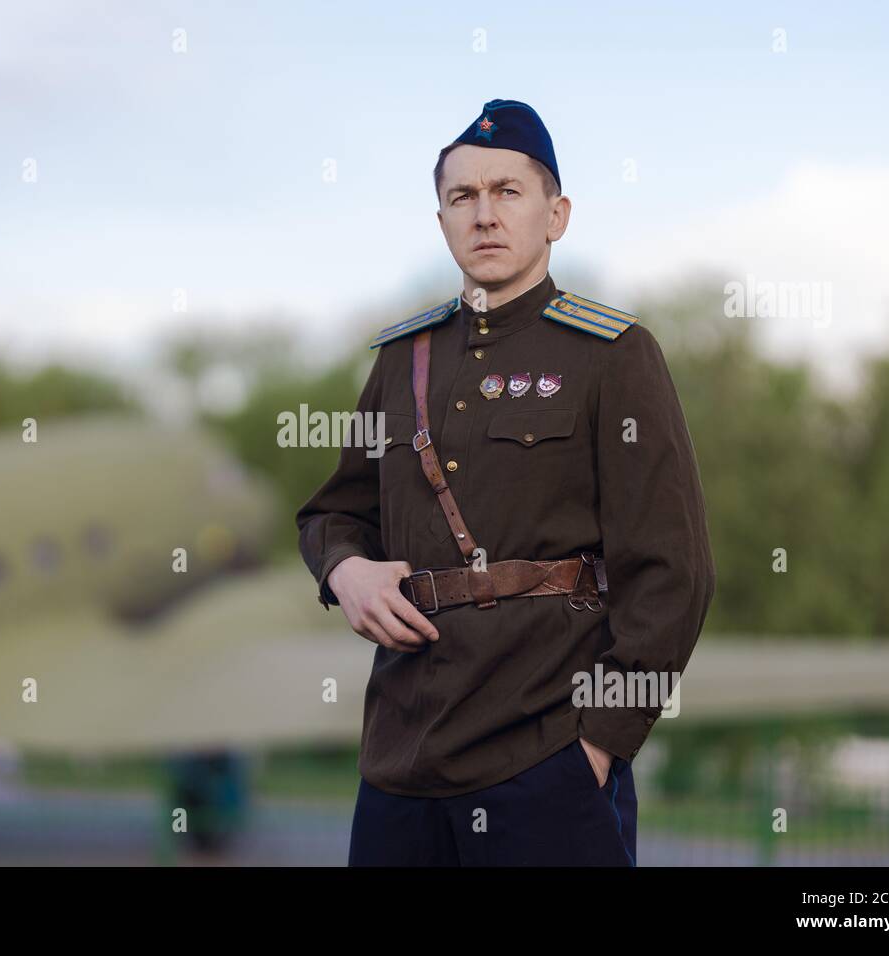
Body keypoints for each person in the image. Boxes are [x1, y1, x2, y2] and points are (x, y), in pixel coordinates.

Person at [295, 98, 716, 866]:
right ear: (443, 220)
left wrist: (598, 748)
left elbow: (673, 575)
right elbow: (333, 512)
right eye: (463, 196)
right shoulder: (401, 358)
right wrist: (344, 570)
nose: (484, 214)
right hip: (400, 762)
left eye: (507, 192)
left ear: (555, 215)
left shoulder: (612, 354)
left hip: (547, 757)